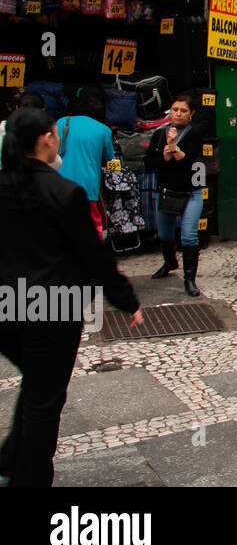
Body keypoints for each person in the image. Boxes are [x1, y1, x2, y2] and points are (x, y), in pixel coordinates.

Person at [0, 108, 142, 486]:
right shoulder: (65, 192)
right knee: (46, 399)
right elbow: (92, 256)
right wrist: (126, 299)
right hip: (50, 310)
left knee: (37, 384)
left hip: (5, 306)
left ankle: (12, 456)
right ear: (47, 138)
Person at [145, 94, 207, 296]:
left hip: (191, 192)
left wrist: (173, 147)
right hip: (166, 191)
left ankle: (190, 279)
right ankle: (169, 262)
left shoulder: (195, 133)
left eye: (183, 111)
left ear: (192, 114)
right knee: (164, 233)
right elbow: (150, 162)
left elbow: (190, 162)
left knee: (189, 235)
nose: (178, 114)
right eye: (175, 110)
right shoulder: (159, 133)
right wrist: (164, 156)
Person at [54, 88, 114, 239]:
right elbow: (109, 159)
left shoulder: (61, 122)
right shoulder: (103, 130)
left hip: (59, 184)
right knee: (91, 225)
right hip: (87, 185)